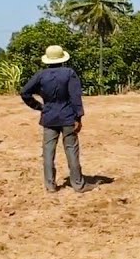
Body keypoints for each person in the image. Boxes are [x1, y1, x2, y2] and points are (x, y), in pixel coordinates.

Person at [20, 44, 91, 193]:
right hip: (68, 117)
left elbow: (25, 92)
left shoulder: (41, 75)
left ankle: (50, 185)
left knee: (48, 152)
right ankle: (78, 184)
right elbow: (75, 97)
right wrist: (79, 116)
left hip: (49, 117)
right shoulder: (69, 73)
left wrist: (39, 107)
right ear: (62, 59)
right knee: (71, 150)